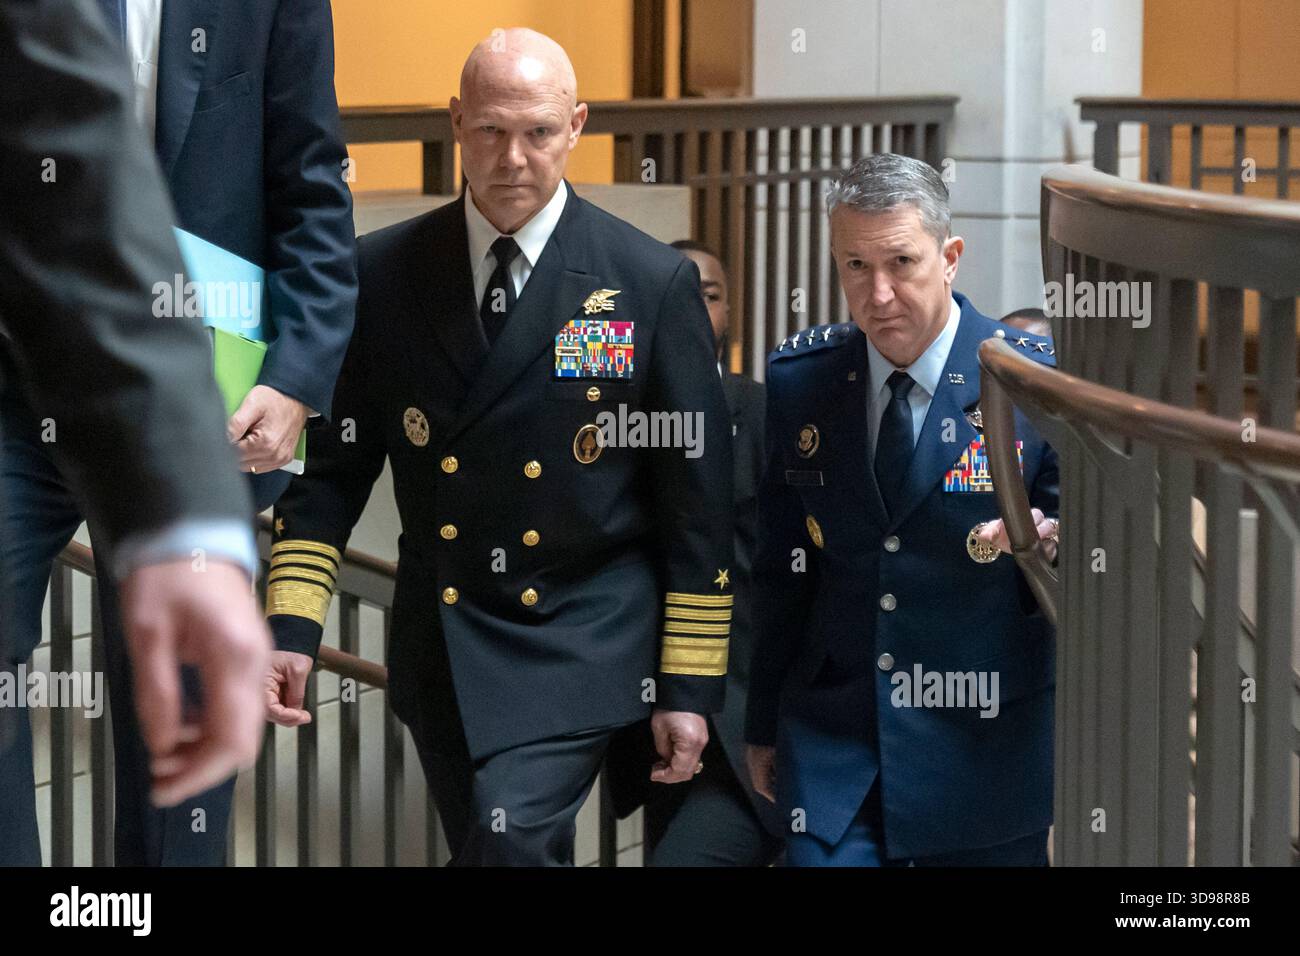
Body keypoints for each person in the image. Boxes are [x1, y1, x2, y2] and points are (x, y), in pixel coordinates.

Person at [264, 28, 733, 866]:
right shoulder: (385, 272)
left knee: (505, 842)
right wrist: (291, 629)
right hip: (444, 640)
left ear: (577, 125)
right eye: (490, 130)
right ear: (455, 122)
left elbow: (696, 506)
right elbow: (332, 475)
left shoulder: (647, 282)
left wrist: (689, 686)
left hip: (583, 634)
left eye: (539, 132)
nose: (513, 157)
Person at [0, 0, 356, 865]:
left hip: (197, 402)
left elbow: (312, 183)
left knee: (187, 708)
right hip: (14, 390)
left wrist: (294, 379)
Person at [745, 153, 1060, 866]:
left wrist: (1054, 544)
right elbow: (782, 571)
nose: (878, 293)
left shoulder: (1031, 381)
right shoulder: (804, 381)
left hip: (983, 749)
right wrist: (764, 720)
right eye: (855, 266)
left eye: (901, 262)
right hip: (837, 748)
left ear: (950, 258)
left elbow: (1091, 558)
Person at [606, 241, 782, 866]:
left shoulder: (765, 412)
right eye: (676, 294)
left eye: (708, 295)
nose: (693, 309)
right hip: (641, 719)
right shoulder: (612, 421)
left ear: (728, 312)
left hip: (738, 717)